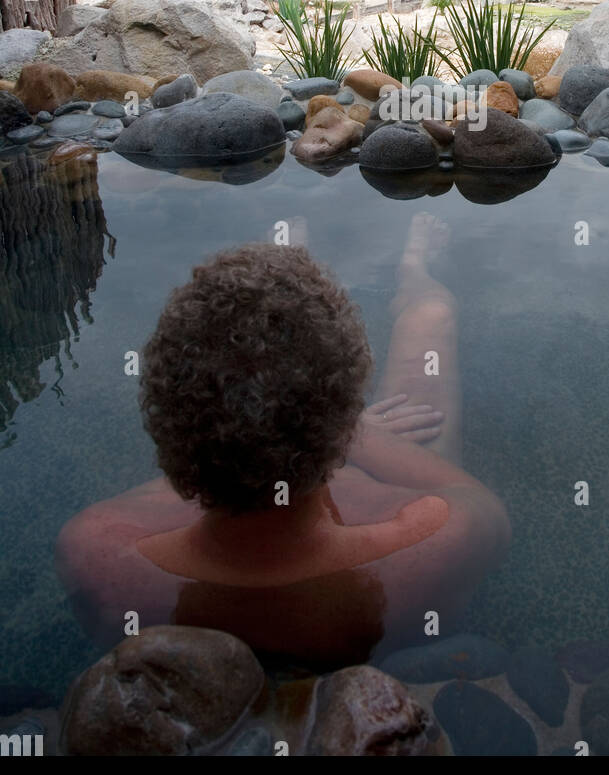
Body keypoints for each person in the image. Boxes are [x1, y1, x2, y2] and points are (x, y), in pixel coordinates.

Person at [56, 213, 510, 668]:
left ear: (163, 423)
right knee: (432, 315)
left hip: (280, 462)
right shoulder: (441, 537)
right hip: (350, 481)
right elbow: (473, 497)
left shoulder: (94, 550)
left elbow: (206, 464)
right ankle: (414, 270)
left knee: (249, 429)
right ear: (343, 424)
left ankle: (289, 265)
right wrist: (359, 436)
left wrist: (283, 438)